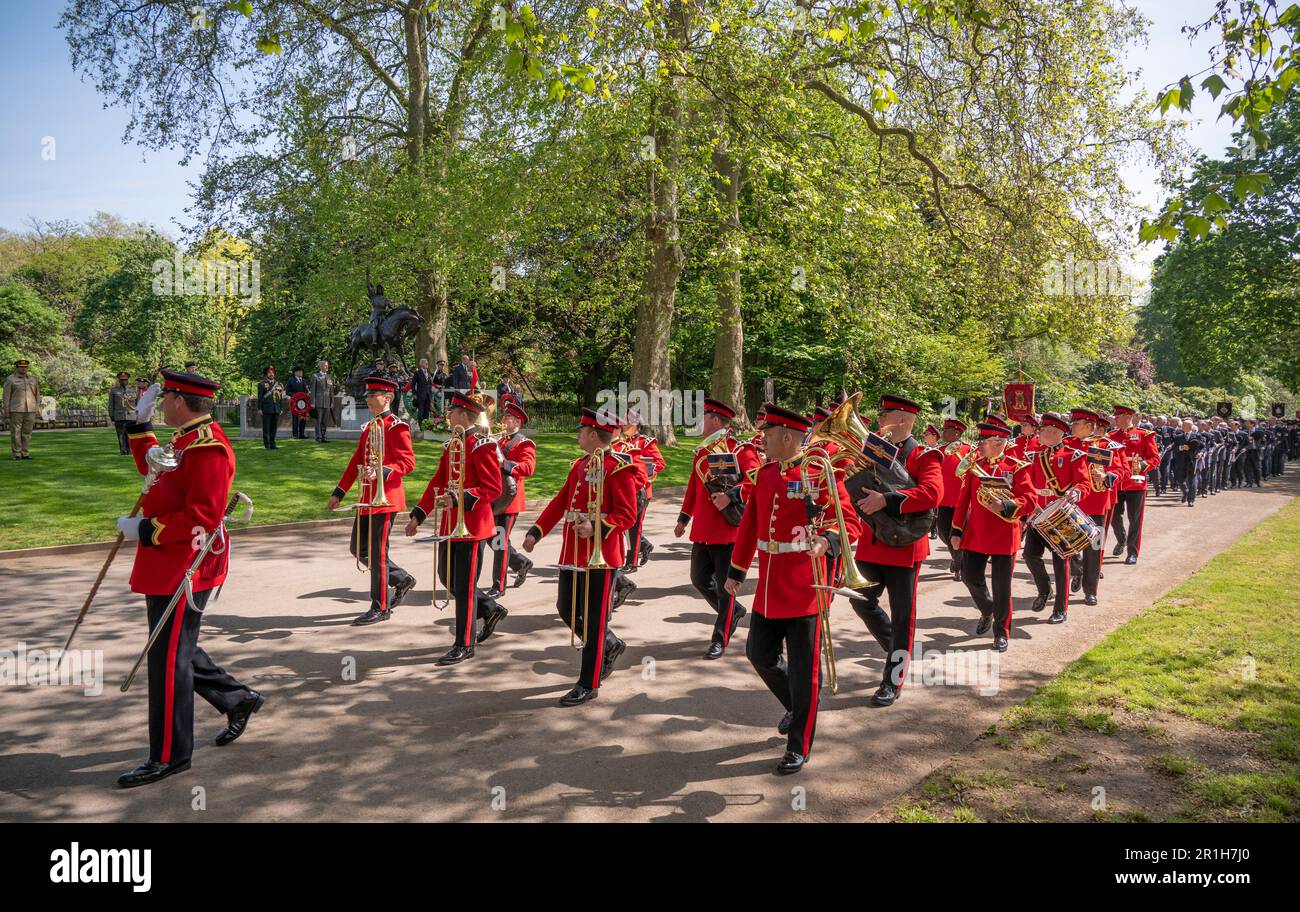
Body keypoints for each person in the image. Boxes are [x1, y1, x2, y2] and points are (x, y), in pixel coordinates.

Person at [113, 368, 263, 788]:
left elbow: (203, 517)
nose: (161, 405)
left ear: (180, 401)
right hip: (168, 562)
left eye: (164, 400)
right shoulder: (184, 441)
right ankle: (237, 699)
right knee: (173, 648)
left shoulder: (209, 447)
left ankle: (170, 755)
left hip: (187, 565)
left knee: (168, 661)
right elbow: (154, 473)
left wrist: (145, 529)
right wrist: (140, 427)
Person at [723, 404, 854, 775]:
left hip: (805, 584)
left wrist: (827, 541)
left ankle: (799, 744)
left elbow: (848, 521)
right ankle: (798, 707)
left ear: (785, 436)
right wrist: (736, 569)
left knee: (803, 671)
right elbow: (750, 525)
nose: (761, 439)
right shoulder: (764, 474)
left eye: (767, 433)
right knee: (759, 654)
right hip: (769, 584)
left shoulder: (820, 471)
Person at [524, 407, 641, 706]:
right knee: (566, 608)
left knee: (593, 621)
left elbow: (627, 514)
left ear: (592, 434)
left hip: (602, 553)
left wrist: (598, 527)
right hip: (573, 552)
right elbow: (562, 500)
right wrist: (537, 532)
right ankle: (609, 644)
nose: (577, 434)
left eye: (580, 431)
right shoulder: (579, 465)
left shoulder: (618, 466)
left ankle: (588, 683)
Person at [845, 394, 942, 705]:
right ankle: (899, 650)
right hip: (872, 544)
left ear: (902, 419)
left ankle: (893, 679)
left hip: (905, 547)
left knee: (903, 618)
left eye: (884, 413)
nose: (878, 417)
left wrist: (886, 499)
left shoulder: (923, 455)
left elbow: (932, 493)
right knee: (860, 601)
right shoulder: (871, 450)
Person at [407, 392, 506, 665]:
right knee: (447, 577)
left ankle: (464, 643)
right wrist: (418, 514)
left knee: (463, 586)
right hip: (452, 524)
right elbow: (437, 481)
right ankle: (489, 608)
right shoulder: (452, 444)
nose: (448, 416)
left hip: (472, 525)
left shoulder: (482, 444)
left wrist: (462, 496)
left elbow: (493, 488)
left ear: (463, 414)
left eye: (452, 412)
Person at [674, 397, 762, 659]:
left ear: (715, 420)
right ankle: (732, 612)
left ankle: (720, 638)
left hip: (729, 530)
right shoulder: (703, 451)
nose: (699, 422)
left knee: (727, 588)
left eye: (703, 417)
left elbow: (756, 483)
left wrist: (732, 496)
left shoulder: (740, 450)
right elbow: (694, 485)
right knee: (699, 579)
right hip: (703, 529)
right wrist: (683, 517)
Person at [328, 374, 417, 625]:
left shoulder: (397, 426)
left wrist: (382, 471)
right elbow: (356, 461)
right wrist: (339, 492)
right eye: (366, 394)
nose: (366, 398)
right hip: (367, 497)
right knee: (358, 549)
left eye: (371, 395)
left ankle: (380, 606)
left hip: (386, 498)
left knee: (377, 555)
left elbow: (408, 462)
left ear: (387, 397)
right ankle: (400, 579)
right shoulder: (370, 427)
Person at [950, 420, 1036, 651]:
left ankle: (1001, 632)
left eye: (984, 441)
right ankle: (988, 609)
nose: (979, 445)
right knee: (969, 577)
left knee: (1002, 588)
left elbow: (1030, 499)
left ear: (998, 442)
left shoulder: (1017, 466)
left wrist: (1007, 505)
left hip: (1004, 534)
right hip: (977, 532)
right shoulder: (974, 465)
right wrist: (956, 528)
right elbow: (963, 499)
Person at [1020, 412, 1090, 624]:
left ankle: (1060, 609)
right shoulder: (1033, 456)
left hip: (1061, 516)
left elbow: (1083, 483)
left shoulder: (1073, 455)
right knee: (1030, 555)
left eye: (1042, 430)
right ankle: (1044, 590)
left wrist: (1076, 493)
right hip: (1039, 515)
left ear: (1053, 432)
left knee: (1061, 563)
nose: (1038, 434)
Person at [1063, 408, 1126, 604]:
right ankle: (1077, 569)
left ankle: (1091, 590)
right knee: (1068, 544)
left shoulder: (1108, 445)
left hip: (1096, 504)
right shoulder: (1066, 444)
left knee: (1094, 548)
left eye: (1076, 423)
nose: (1072, 426)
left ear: (1089, 426)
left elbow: (1121, 470)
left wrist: (1107, 476)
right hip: (1071, 502)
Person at [487, 399, 537, 598]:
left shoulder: (524, 443)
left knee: (499, 542)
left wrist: (504, 463)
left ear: (518, 422)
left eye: (508, 418)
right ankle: (520, 563)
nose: (504, 420)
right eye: (504, 417)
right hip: (494, 497)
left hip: (509, 499)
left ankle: (498, 586)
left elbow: (528, 468)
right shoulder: (499, 441)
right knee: (493, 538)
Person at [615, 410, 666, 576]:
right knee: (624, 525)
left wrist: (645, 474)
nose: (622, 425)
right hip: (623, 490)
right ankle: (643, 545)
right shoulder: (619, 442)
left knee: (634, 527)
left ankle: (631, 562)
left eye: (626, 422)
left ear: (635, 423)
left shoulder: (646, 442)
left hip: (640, 490)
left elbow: (659, 462)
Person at [1107, 405, 1160, 565]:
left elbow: (1154, 458)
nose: (1115, 419)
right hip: (1117, 483)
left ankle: (1132, 552)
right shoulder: (1111, 436)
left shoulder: (1144, 435)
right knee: (1113, 516)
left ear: (1128, 416)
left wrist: (1143, 465)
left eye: (1118, 416)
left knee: (1135, 519)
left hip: (1136, 482)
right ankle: (1122, 538)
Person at [935, 418, 972, 581]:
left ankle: (959, 566)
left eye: (946, 430)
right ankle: (957, 557)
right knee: (943, 532)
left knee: (958, 533)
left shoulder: (969, 450)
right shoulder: (939, 450)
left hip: (961, 500)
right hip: (944, 499)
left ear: (957, 433)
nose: (943, 433)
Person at [3, 358, 40, 460]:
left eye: (26, 367)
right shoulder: (10, 379)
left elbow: (37, 395)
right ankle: (17, 453)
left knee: (27, 432)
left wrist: (37, 407)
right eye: (22, 367)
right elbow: (6, 396)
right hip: (16, 409)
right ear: (17, 367)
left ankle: (25, 453)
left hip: (30, 409)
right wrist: (6, 409)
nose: (24, 369)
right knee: (16, 432)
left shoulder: (33, 379)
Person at [256, 365, 284, 450]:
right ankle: (267, 444)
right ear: (266, 374)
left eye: (272, 372)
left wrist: (281, 408)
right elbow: (260, 397)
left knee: (273, 428)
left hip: (276, 409)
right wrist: (259, 408)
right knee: (266, 428)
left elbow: (280, 398)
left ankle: (273, 444)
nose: (271, 374)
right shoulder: (262, 384)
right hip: (266, 409)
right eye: (269, 373)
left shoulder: (279, 384)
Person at [109, 370, 134, 455]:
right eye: (122, 380)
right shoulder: (114, 390)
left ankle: (130, 450)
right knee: (120, 434)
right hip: (119, 416)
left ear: (128, 380)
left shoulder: (133, 389)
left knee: (130, 434)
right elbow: (111, 404)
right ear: (119, 380)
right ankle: (123, 450)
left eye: (125, 379)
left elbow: (137, 402)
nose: (124, 381)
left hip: (131, 415)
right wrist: (111, 415)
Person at [311, 360, 336, 442]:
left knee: (325, 420)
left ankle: (323, 436)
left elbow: (331, 391)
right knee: (319, 421)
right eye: (325, 365)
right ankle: (318, 437)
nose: (327, 367)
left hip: (327, 402)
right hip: (319, 402)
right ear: (321, 366)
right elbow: (313, 391)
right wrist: (313, 402)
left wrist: (332, 402)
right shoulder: (315, 376)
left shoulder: (329, 377)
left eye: (327, 365)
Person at [285, 366, 309, 439]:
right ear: (295, 372)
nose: (301, 373)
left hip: (303, 402)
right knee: (295, 417)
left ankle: (302, 434)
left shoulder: (304, 381)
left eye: (301, 371)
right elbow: (287, 391)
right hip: (295, 402)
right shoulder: (291, 380)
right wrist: (295, 395)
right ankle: (295, 434)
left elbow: (307, 390)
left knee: (303, 417)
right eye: (299, 371)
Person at [408, 358, 434, 424]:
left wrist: (431, 396)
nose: (427, 364)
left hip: (428, 396)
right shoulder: (417, 373)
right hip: (420, 395)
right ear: (421, 364)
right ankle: (421, 426)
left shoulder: (429, 373)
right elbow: (413, 384)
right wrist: (414, 394)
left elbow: (430, 385)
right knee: (421, 411)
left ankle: (426, 425)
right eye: (426, 363)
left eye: (427, 363)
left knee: (427, 411)